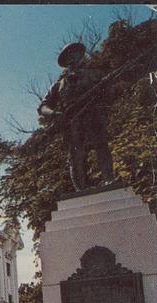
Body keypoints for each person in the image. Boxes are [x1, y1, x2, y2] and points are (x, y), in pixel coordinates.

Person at [38, 42, 115, 191]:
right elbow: (43, 107)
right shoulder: (58, 85)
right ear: (66, 62)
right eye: (69, 56)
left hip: (92, 115)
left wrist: (104, 88)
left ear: (81, 56)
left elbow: (109, 96)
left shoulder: (95, 75)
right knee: (75, 156)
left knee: (101, 146)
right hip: (71, 121)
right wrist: (54, 114)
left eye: (76, 54)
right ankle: (80, 189)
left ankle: (109, 179)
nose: (73, 57)